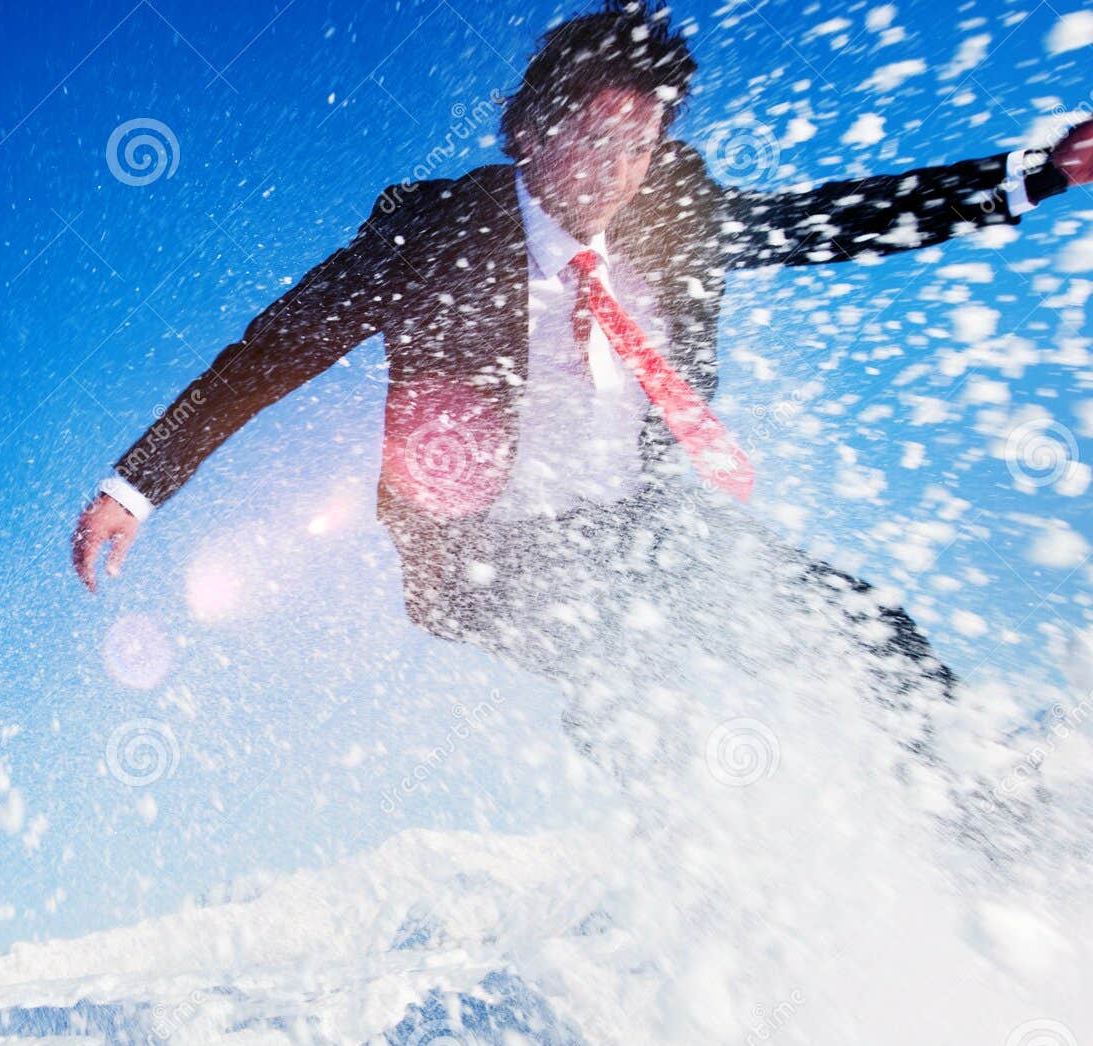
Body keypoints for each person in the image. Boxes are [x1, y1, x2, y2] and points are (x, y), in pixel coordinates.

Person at [73, 1, 1091, 777]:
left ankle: (977, 802)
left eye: (639, 146)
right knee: (638, 694)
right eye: (597, 138)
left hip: (635, 518)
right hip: (483, 549)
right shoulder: (429, 234)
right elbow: (274, 351)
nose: (618, 172)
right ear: (529, 127)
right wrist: (138, 482)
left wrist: (1033, 172)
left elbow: (833, 219)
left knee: (864, 631)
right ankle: (708, 937)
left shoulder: (676, 211)